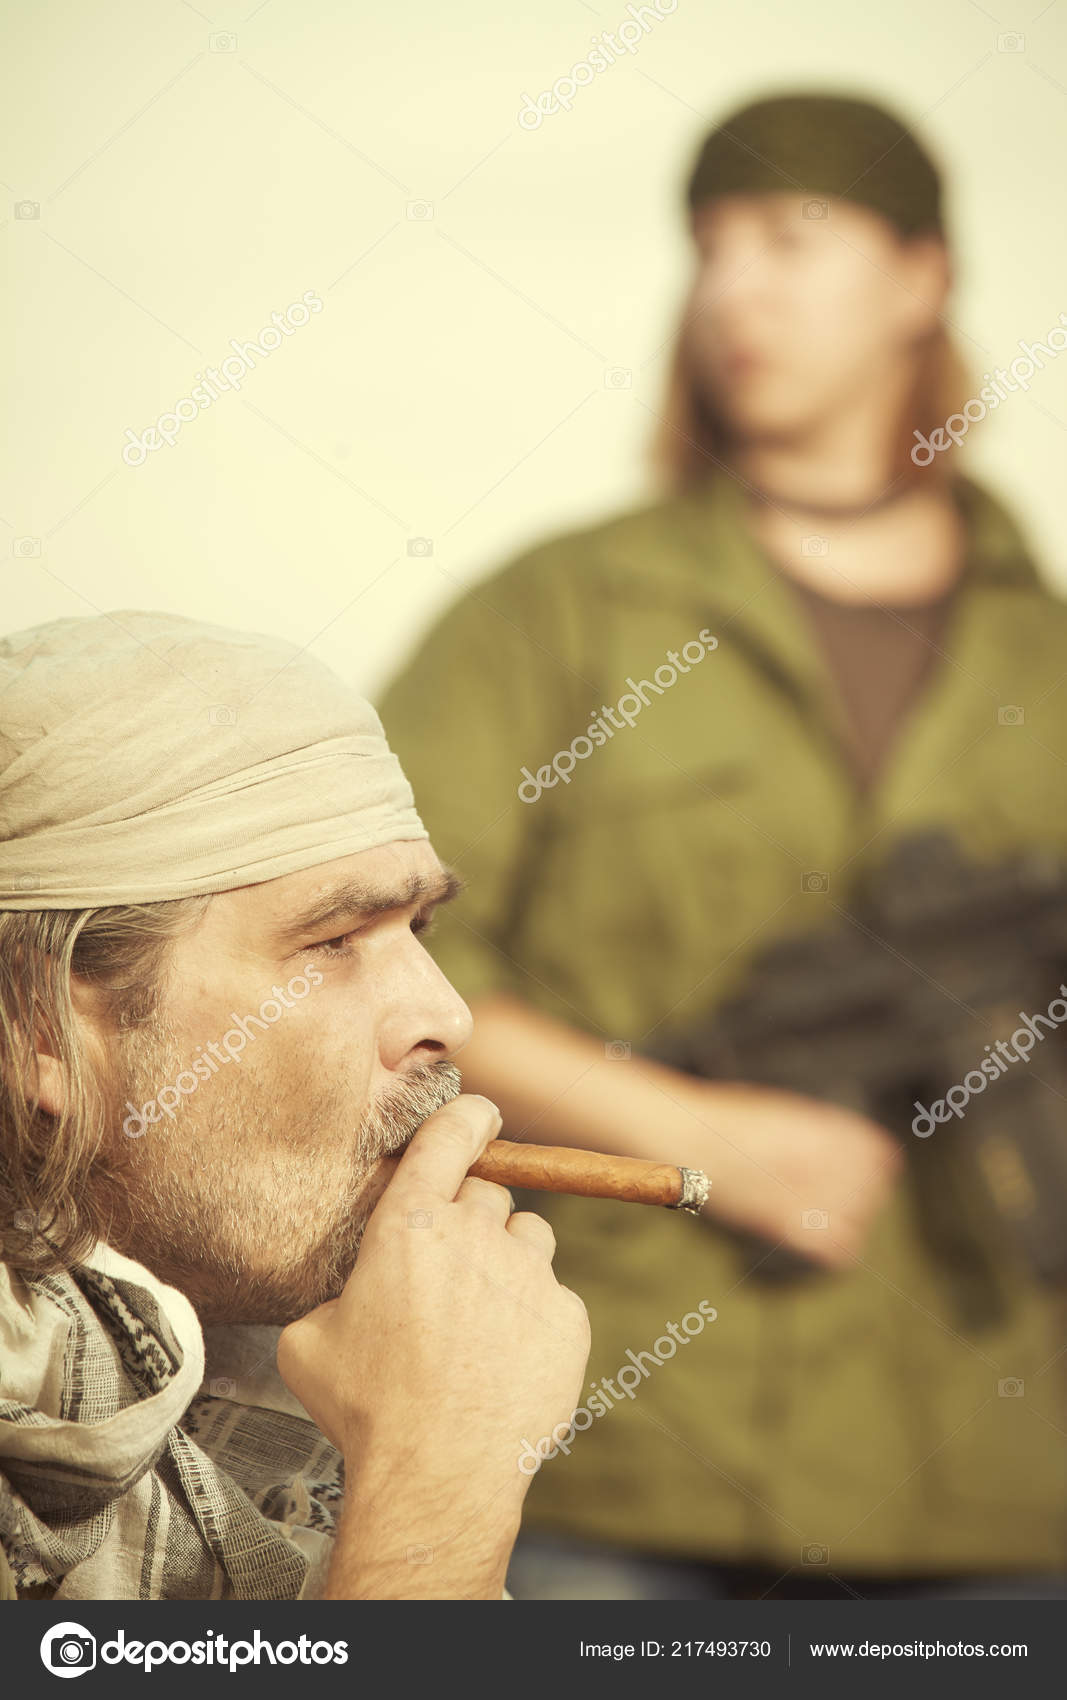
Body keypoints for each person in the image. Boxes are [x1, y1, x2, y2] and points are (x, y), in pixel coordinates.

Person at [379, 92, 1067, 1597]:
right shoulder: (552, 616)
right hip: (620, 1454)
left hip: (995, 1491)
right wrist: (698, 1138)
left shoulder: (1044, 656)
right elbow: (377, 969)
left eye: (786, 238)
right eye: (707, 249)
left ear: (917, 276)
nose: (730, 288)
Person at [0, 610, 590, 1601]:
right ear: (41, 1032)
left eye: (418, 922)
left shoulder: (251, 1390)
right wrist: (438, 1473)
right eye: (334, 939)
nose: (444, 1013)